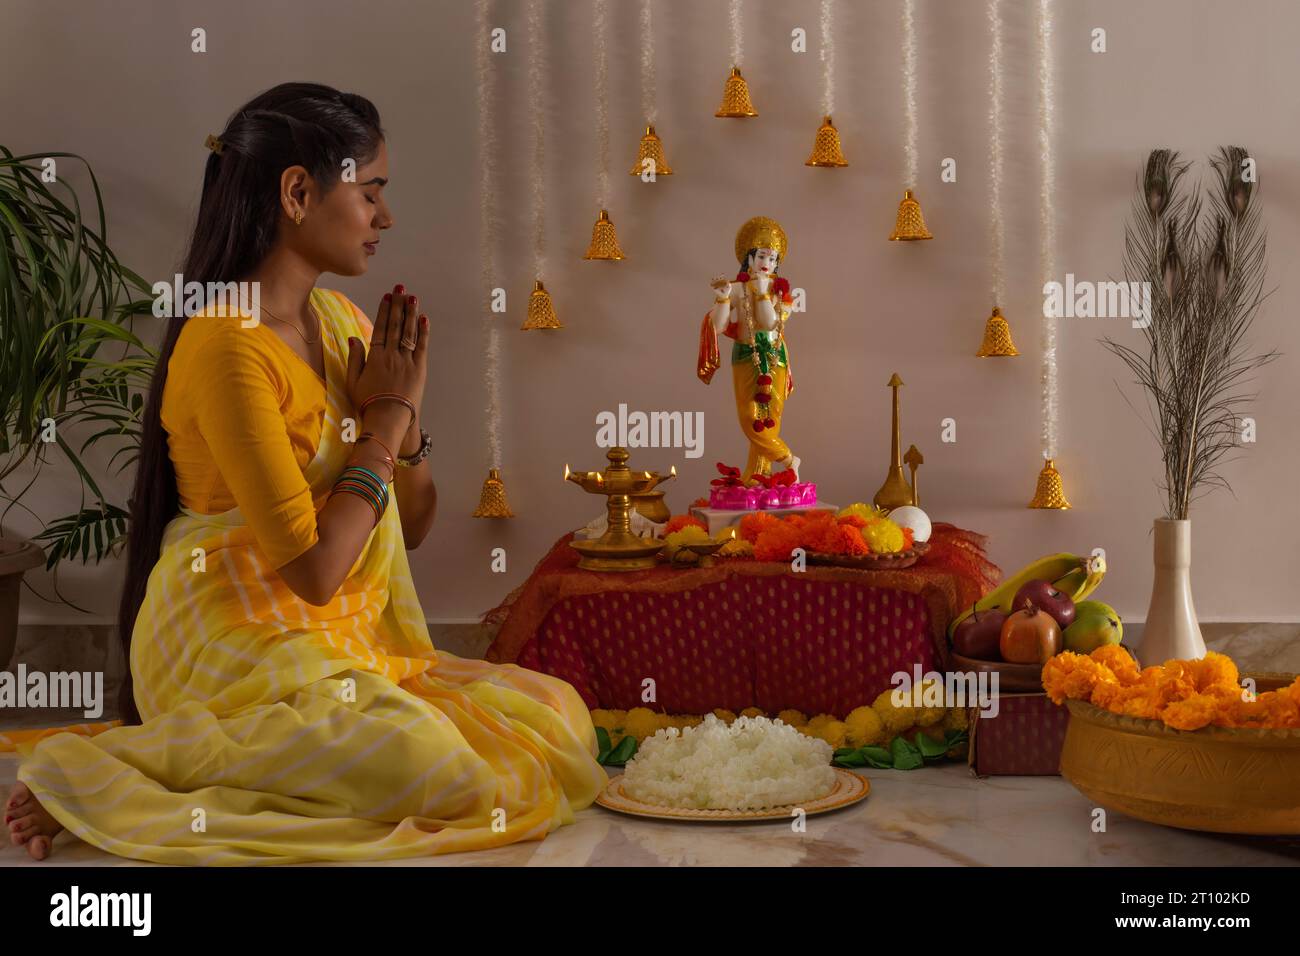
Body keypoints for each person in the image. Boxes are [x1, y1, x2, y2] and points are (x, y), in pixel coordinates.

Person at [4, 82, 606, 864]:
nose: (385, 218)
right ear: (298, 192)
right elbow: (317, 572)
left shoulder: (341, 323)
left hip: (338, 641)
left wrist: (404, 425)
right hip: (231, 637)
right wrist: (384, 423)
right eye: (371, 192)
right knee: (435, 768)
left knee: (554, 715)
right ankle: (101, 772)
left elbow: (412, 526)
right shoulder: (228, 348)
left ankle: (230, 765)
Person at [697, 216, 801, 482]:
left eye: (772, 258)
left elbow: (769, 321)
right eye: (762, 257)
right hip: (746, 355)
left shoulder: (782, 293)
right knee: (749, 416)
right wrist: (722, 299)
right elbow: (718, 327)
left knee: (771, 417)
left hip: (775, 356)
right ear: (749, 258)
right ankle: (788, 458)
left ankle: (756, 476)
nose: (767, 264)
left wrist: (763, 291)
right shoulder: (736, 289)